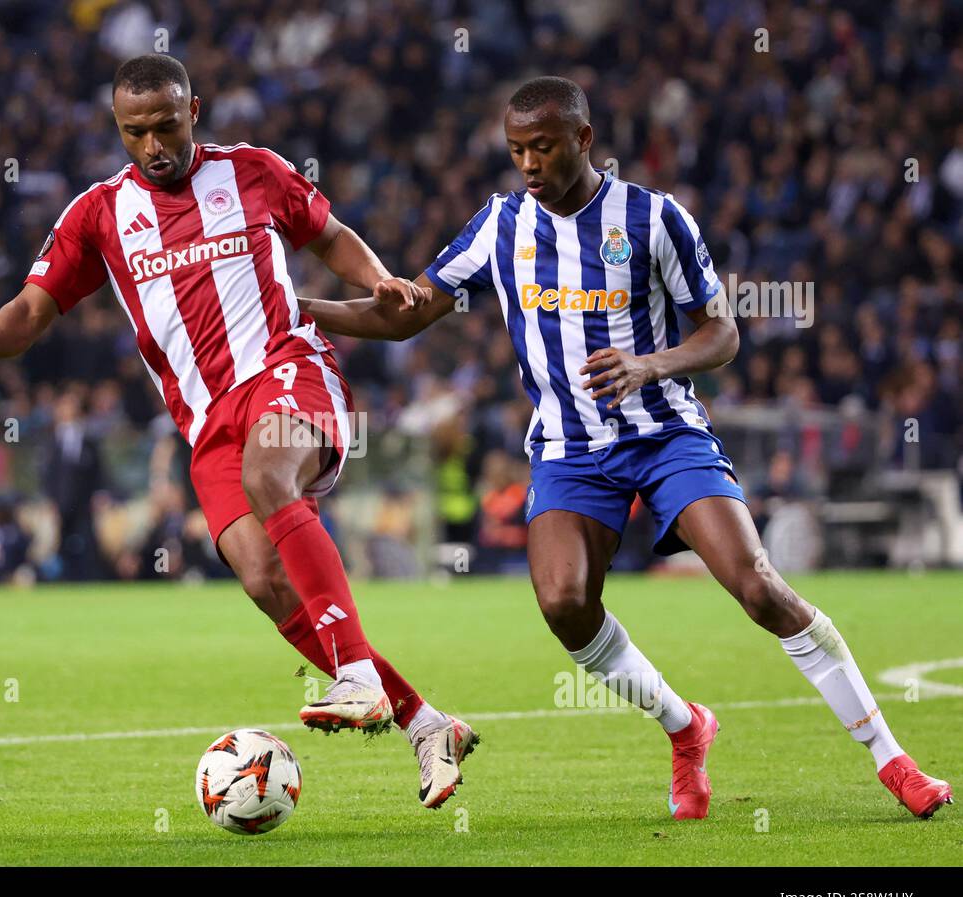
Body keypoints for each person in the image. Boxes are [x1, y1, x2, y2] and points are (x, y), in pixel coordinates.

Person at [299, 76, 951, 821]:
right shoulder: (500, 224)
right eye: (516, 151)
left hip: (666, 435)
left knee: (758, 585)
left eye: (543, 147)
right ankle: (685, 726)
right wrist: (300, 310)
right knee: (566, 603)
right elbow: (406, 315)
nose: (529, 165)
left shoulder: (652, 218)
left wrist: (652, 363)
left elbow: (723, 331)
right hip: (569, 450)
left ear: (583, 139)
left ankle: (892, 759)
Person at [0, 54, 477, 807]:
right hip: (206, 423)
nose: (154, 143)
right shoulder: (98, 213)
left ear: (195, 110)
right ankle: (427, 725)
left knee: (272, 478)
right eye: (136, 132)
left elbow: (329, 235)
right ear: (119, 130)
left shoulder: (254, 171)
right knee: (266, 582)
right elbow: (35, 305)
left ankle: (355, 678)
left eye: (166, 124)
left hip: (288, 367)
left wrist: (376, 278)